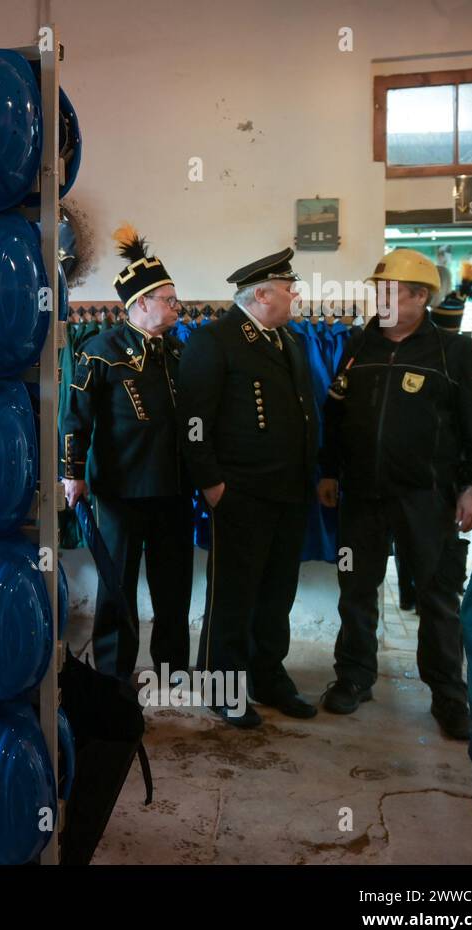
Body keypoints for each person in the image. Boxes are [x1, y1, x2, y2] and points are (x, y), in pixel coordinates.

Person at [318, 249, 472, 740]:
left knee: (438, 596)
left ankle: (448, 693)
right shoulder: (360, 345)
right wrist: (328, 471)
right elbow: (334, 416)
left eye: (388, 291)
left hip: (428, 497)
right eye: (374, 290)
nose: (376, 299)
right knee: (356, 589)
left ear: (420, 296)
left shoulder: (454, 352)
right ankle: (354, 677)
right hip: (361, 496)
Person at [175, 248, 320, 728]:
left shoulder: (287, 341)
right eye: (287, 288)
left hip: (287, 491)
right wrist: (212, 485)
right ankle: (222, 686)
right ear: (261, 294)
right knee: (233, 597)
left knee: (277, 594)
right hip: (239, 493)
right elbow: (194, 421)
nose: (295, 294)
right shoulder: (214, 340)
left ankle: (267, 676)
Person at [60, 224, 193, 680]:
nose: (178, 307)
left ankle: (173, 671)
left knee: (174, 586)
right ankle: (114, 677)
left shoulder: (179, 353)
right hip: (119, 492)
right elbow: (74, 417)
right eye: (169, 300)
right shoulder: (100, 351)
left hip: (174, 490)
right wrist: (71, 474)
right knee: (117, 588)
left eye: (176, 300)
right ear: (140, 305)